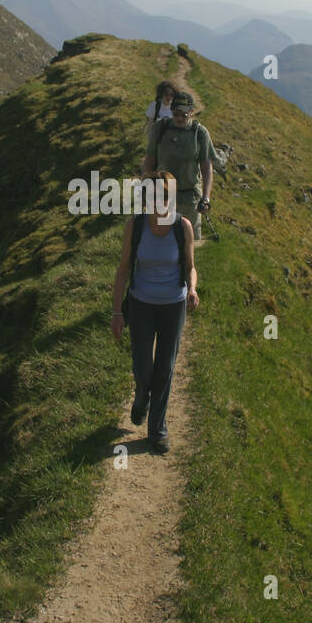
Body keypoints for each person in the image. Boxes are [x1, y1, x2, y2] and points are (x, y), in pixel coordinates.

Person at [111, 171, 199, 454]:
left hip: (173, 304)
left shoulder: (182, 226)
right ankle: (141, 397)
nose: (159, 201)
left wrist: (193, 289)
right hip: (140, 304)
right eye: (153, 195)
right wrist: (116, 313)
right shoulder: (135, 226)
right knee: (142, 366)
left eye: (164, 194)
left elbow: (189, 265)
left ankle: (157, 430)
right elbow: (123, 270)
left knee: (166, 367)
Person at [142, 89, 216, 241]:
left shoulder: (200, 133)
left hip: (190, 198)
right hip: (162, 196)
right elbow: (149, 159)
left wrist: (206, 198)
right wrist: (145, 189)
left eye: (184, 115)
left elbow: (206, 167)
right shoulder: (160, 128)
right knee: (162, 238)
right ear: (171, 111)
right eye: (176, 114)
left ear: (192, 112)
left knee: (188, 242)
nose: (179, 118)